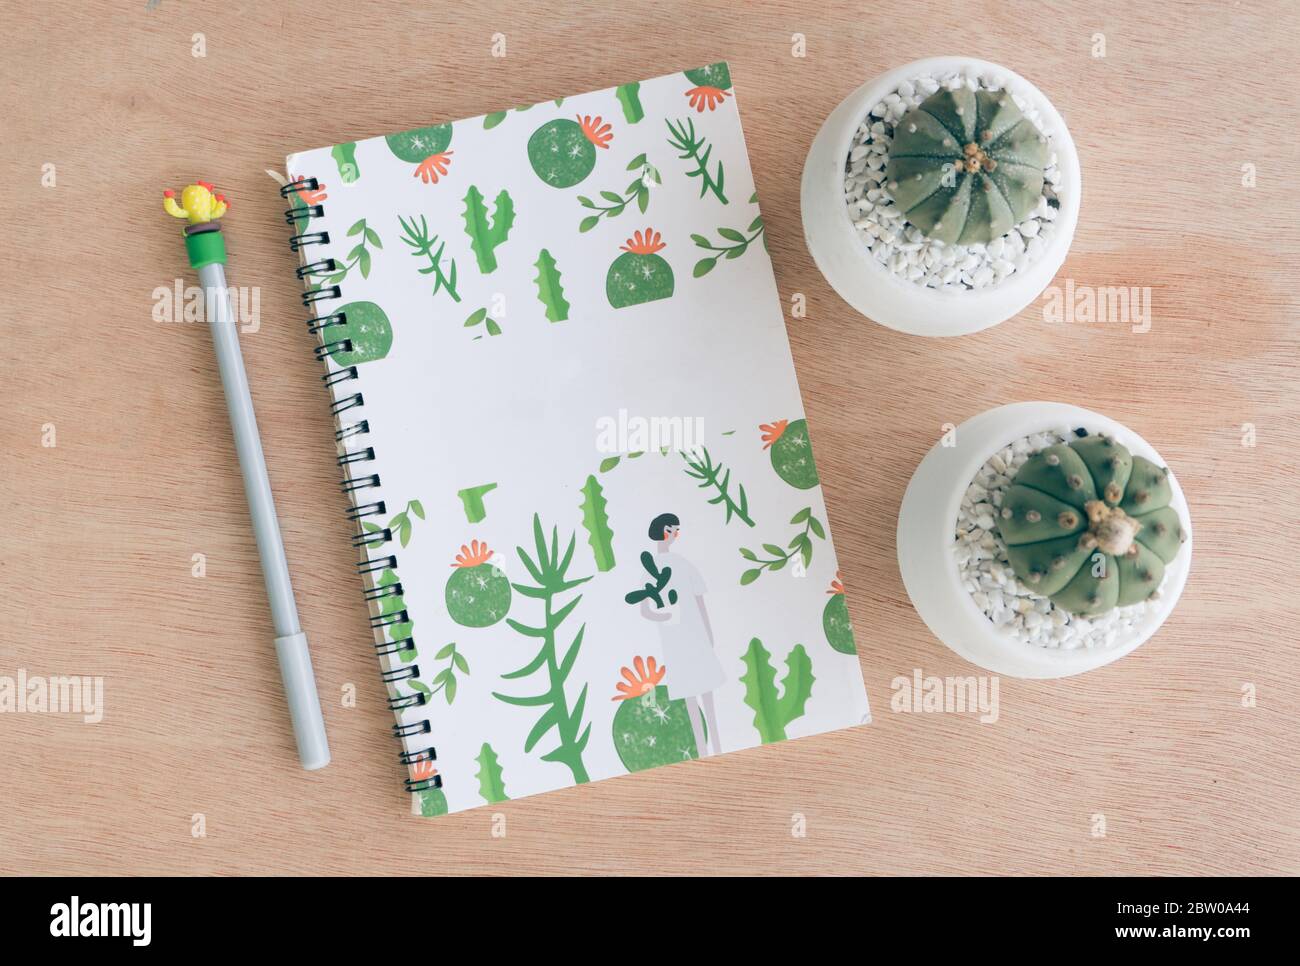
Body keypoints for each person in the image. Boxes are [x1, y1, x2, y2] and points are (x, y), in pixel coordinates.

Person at [637, 513, 723, 757]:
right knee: (691, 693)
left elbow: (699, 601)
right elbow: (645, 609)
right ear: (667, 531)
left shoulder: (682, 564)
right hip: (676, 639)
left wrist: (707, 632)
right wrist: (664, 617)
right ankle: (704, 747)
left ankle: (715, 745)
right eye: (675, 530)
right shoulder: (654, 569)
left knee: (704, 690)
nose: (676, 535)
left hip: (692, 635)